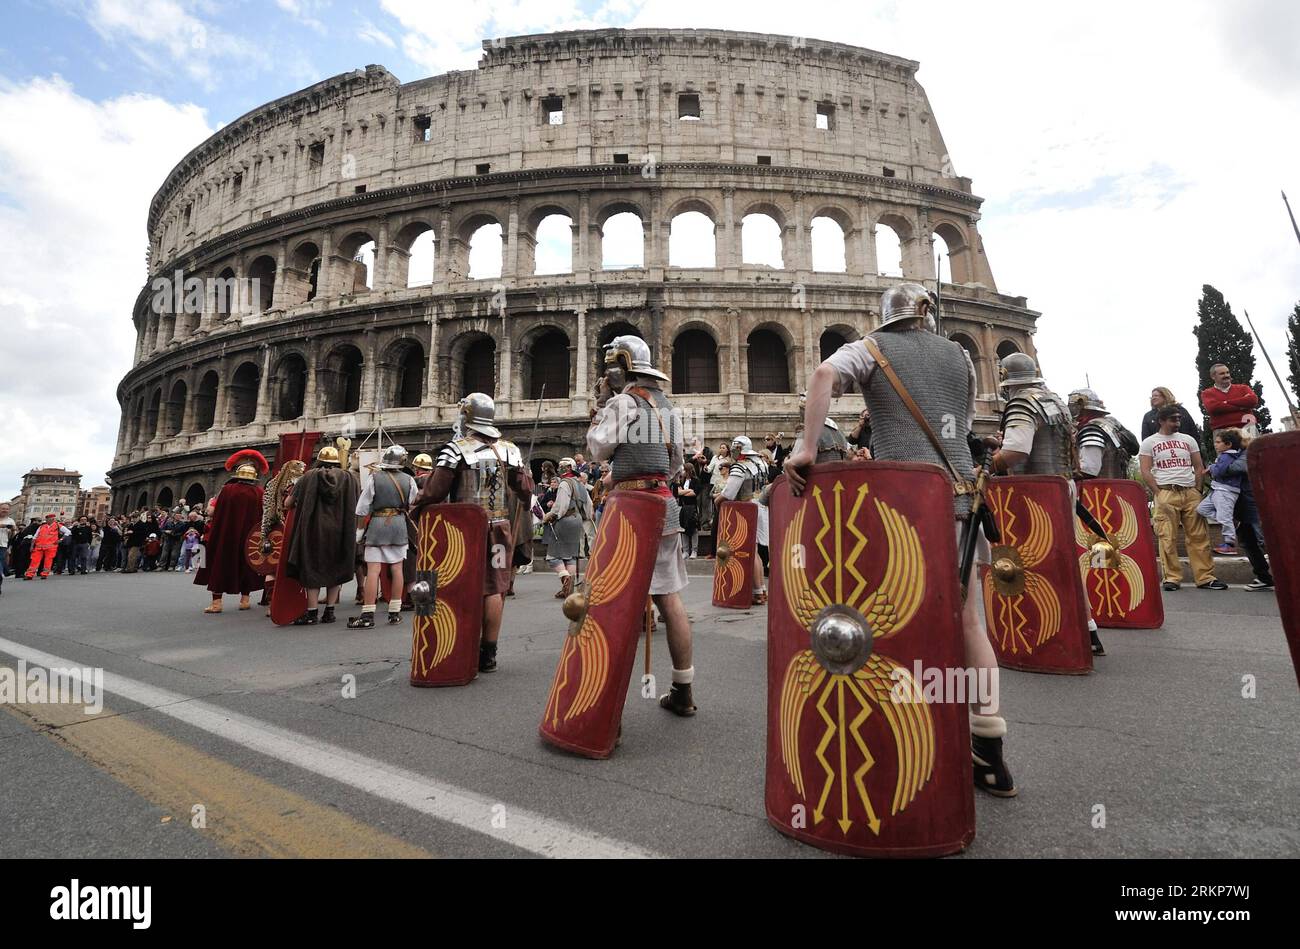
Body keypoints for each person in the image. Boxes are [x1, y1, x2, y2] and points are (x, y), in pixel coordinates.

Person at [789, 283, 1014, 796]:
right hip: (962, 498)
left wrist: (807, 447)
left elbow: (824, 373)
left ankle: (902, 743)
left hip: (906, 506)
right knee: (969, 621)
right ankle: (989, 745)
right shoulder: (959, 353)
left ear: (886, 317)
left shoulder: (872, 347)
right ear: (926, 316)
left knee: (892, 619)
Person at [588, 335, 698, 716]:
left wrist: (602, 404)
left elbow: (597, 448)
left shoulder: (623, 402)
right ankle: (683, 688)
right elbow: (676, 465)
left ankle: (604, 700)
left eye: (609, 368)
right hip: (663, 504)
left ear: (621, 367)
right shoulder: (670, 409)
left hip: (631, 509)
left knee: (617, 596)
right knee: (669, 597)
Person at [990, 353, 1107, 657]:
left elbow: (1016, 450)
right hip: (1062, 484)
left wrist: (992, 462)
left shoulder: (1022, 402)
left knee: (1032, 560)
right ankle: (1088, 626)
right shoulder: (1055, 400)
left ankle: (1046, 627)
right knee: (1064, 555)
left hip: (1034, 490)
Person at [412, 393, 533, 671]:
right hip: (500, 529)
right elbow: (525, 489)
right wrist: (526, 501)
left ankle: (459, 645)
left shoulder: (456, 449)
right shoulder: (509, 450)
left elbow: (435, 491)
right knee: (495, 588)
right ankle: (488, 653)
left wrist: (417, 507)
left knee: (460, 584)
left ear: (467, 417)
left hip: (464, 532)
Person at [1138, 406, 1225, 591]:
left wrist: (1197, 489)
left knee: (1199, 536)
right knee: (1166, 537)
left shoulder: (1188, 440)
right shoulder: (1149, 443)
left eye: (1178, 419)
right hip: (1166, 491)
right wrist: (1158, 491)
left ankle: (1205, 577)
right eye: (1173, 419)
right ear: (1161, 421)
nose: (1177, 423)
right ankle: (1171, 578)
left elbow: (1198, 465)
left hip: (1190, 491)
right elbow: (1145, 469)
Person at [284, 444, 360, 625]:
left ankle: (311, 613)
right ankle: (330, 612)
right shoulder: (349, 478)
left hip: (313, 530)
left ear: (319, 460)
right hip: (340, 531)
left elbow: (288, 503)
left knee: (312, 569)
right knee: (336, 568)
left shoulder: (308, 477)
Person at [350, 445, 418, 629]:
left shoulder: (374, 478)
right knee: (397, 569)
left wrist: (359, 532)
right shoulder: (409, 480)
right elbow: (412, 502)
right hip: (398, 525)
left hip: (378, 525)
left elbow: (362, 508)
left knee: (373, 571)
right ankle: (394, 612)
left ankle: (368, 614)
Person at [196, 449, 269, 612]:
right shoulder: (259, 492)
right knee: (247, 564)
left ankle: (217, 603)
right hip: (249, 537)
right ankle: (245, 600)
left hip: (226, 535)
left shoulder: (227, 490)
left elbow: (213, 512)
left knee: (220, 564)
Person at [719, 435, 769, 605]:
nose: (733, 450)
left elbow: (728, 494)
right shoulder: (762, 463)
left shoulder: (740, 467)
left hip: (747, 509)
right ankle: (761, 589)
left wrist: (716, 500)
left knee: (752, 551)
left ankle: (757, 592)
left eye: (735, 447)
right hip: (761, 507)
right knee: (757, 551)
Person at [540, 457, 592, 599]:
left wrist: (551, 516)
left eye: (563, 466)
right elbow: (589, 506)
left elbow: (560, 506)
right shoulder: (581, 484)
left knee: (553, 556)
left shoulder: (564, 484)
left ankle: (566, 578)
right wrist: (583, 518)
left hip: (565, 521)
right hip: (577, 521)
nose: (560, 469)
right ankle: (567, 589)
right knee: (569, 556)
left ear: (569, 468)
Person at [1227, 435, 1273, 591]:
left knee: (1265, 540)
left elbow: (1236, 468)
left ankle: (1287, 576)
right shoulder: (1232, 455)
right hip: (1242, 506)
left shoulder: (1246, 453)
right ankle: (1263, 577)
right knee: (1248, 542)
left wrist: (1217, 467)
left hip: (1254, 504)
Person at [1068, 388, 1139, 480]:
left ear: (1080, 405)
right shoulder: (1111, 425)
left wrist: (1066, 477)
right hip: (1117, 488)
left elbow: (1089, 469)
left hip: (1098, 490)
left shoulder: (1092, 429)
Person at [1197, 429, 1244, 555]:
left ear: (1228, 444)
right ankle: (1232, 520)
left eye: (1218, 442)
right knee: (1202, 509)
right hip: (1217, 490)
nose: (1215, 444)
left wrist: (1211, 468)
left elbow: (1219, 471)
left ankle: (1230, 544)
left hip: (1226, 491)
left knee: (1224, 517)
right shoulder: (1226, 456)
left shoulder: (1227, 456)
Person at [1200, 364, 1259, 437]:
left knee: (1254, 448)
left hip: (1248, 428)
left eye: (1227, 372)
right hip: (1222, 431)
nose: (1226, 375)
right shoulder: (1207, 393)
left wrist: (1226, 402)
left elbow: (1253, 400)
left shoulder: (1243, 388)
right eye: (1222, 373)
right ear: (1213, 376)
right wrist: (1242, 405)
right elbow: (1213, 408)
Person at [672, 463, 700, 558]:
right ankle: (685, 551)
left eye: (684, 470)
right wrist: (688, 491)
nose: (682, 472)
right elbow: (678, 493)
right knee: (683, 528)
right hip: (683, 507)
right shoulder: (680, 481)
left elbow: (695, 493)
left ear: (688, 471)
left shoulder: (696, 481)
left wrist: (683, 492)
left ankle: (694, 551)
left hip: (692, 507)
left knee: (693, 529)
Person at [25, 513, 62, 580]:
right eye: (48, 519)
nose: (49, 520)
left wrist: (61, 540)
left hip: (50, 547)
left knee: (48, 561)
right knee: (34, 561)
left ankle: (44, 574)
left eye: (51, 519)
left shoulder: (58, 525)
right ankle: (29, 575)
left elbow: (68, 532)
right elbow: (35, 537)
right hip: (39, 546)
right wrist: (32, 546)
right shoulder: (41, 527)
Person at [0, 502, 15, 594]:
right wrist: (3, 526)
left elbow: (12, 535)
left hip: (3, 545)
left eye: (6, 509)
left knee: (0, 562)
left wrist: (12, 530)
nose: (4, 510)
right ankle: (5, 571)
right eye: (3, 508)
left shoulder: (10, 521)